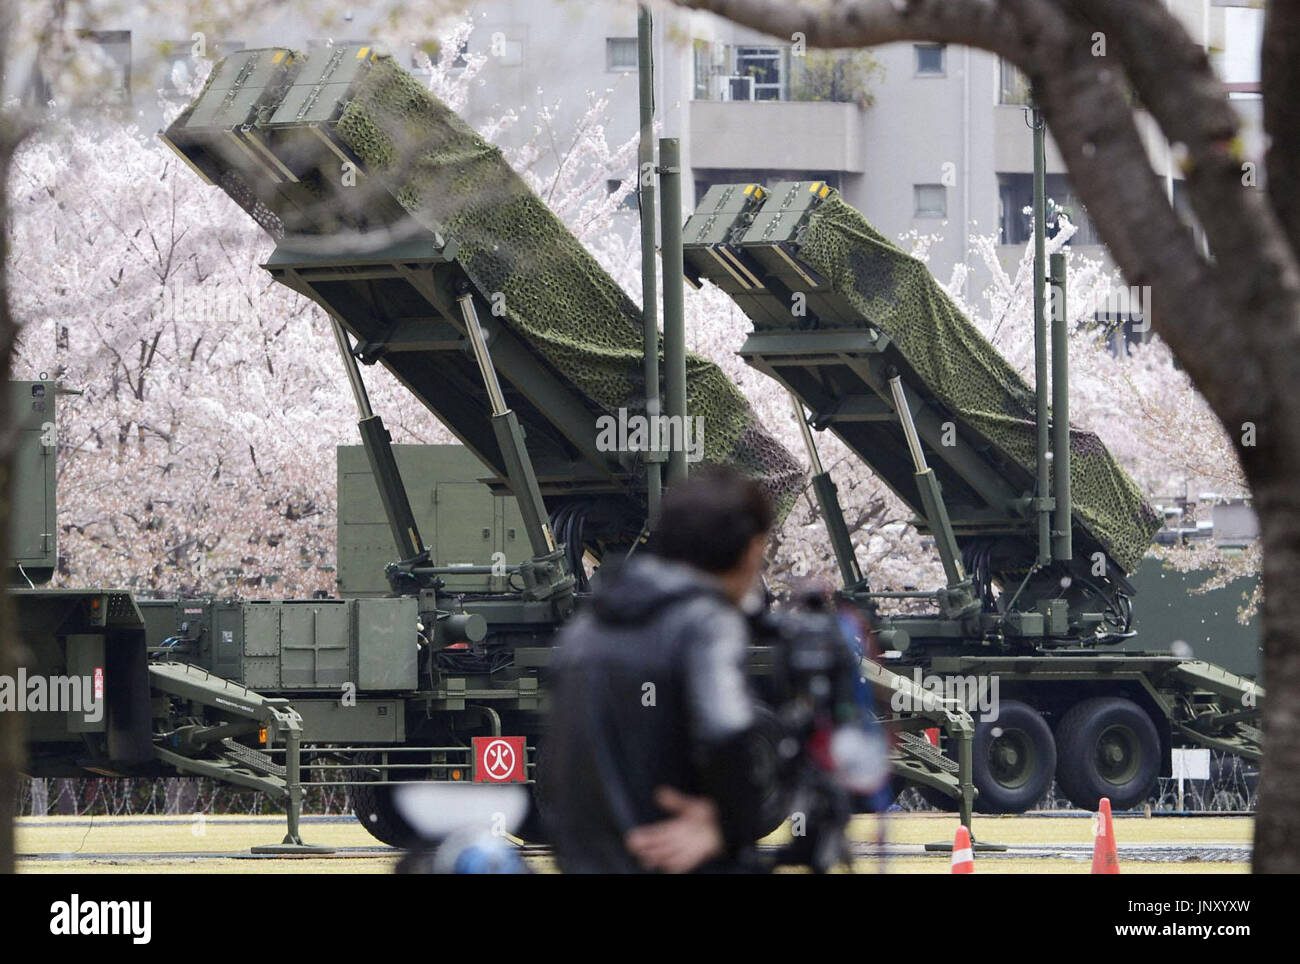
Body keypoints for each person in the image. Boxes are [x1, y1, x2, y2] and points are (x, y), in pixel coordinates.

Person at [541, 465, 773, 873]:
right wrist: (728, 823)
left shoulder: (587, 629)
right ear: (750, 551)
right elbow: (726, 730)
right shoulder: (704, 622)